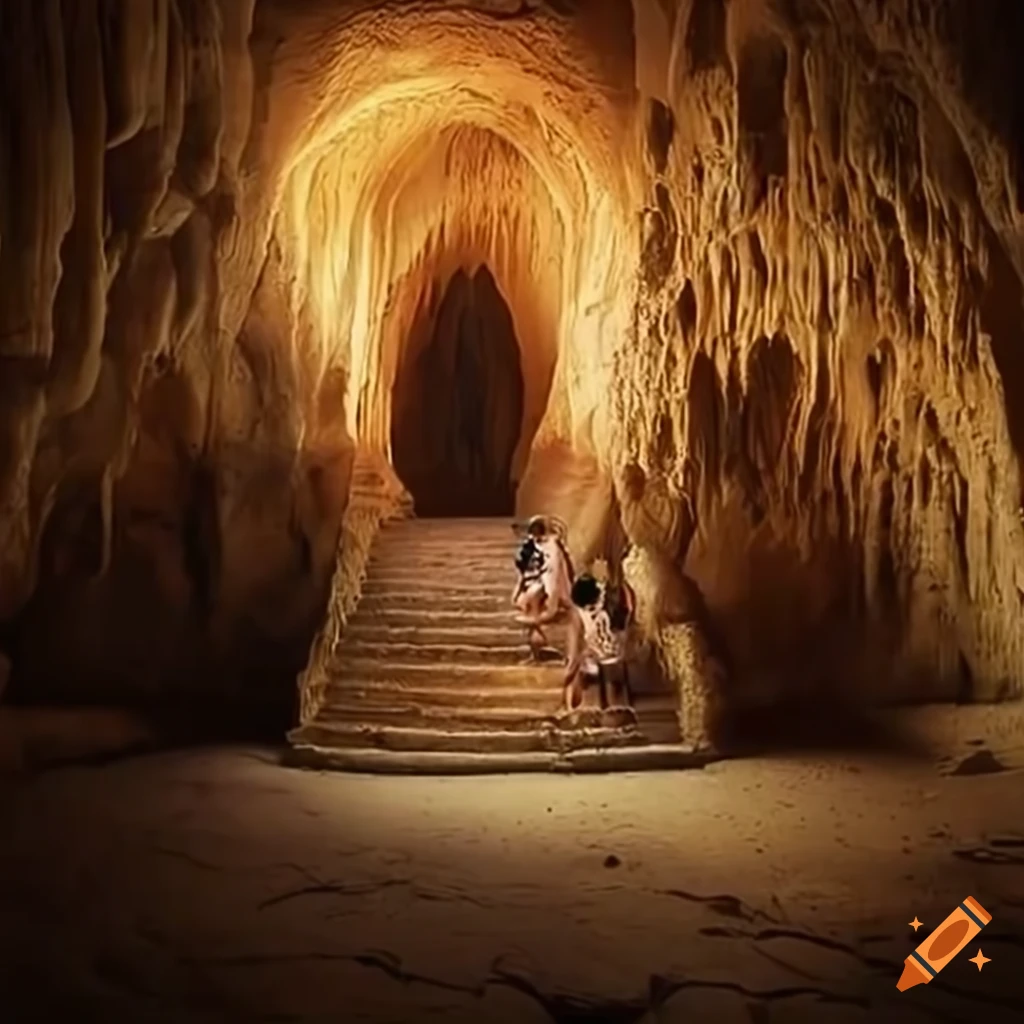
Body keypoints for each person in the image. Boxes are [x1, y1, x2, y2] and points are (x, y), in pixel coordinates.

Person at [562, 572, 635, 712]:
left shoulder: (580, 613)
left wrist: (570, 672)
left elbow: (574, 650)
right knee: (613, 694)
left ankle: (574, 704)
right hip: (618, 655)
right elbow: (630, 607)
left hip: (597, 659)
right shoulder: (612, 601)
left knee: (583, 663)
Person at [511, 515, 574, 660]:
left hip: (549, 584)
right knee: (525, 603)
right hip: (534, 581)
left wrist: (552, 595)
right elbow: (525, 567)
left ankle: (560, 650)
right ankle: (537, 647)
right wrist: (520, 584)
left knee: (533, 600)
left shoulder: (552, 546)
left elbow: (554, 570)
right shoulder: (531, 545)